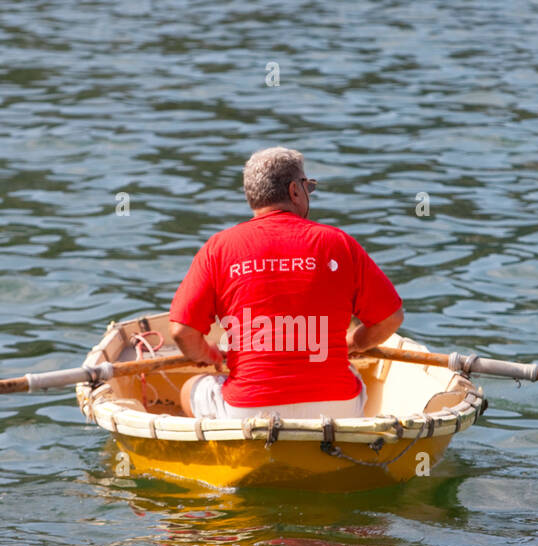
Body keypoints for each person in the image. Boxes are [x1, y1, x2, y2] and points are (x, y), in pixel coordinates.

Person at [169, 146, 404, 419]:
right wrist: (354, 343)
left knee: (190, 389)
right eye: (309, 186)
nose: (309, 192)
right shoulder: (338, 243)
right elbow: (390, 319)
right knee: (351, 376)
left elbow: (182, 332)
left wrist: (207, 356)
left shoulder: (219, 248)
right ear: (294, 190)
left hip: (249, 411)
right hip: (336, 410)